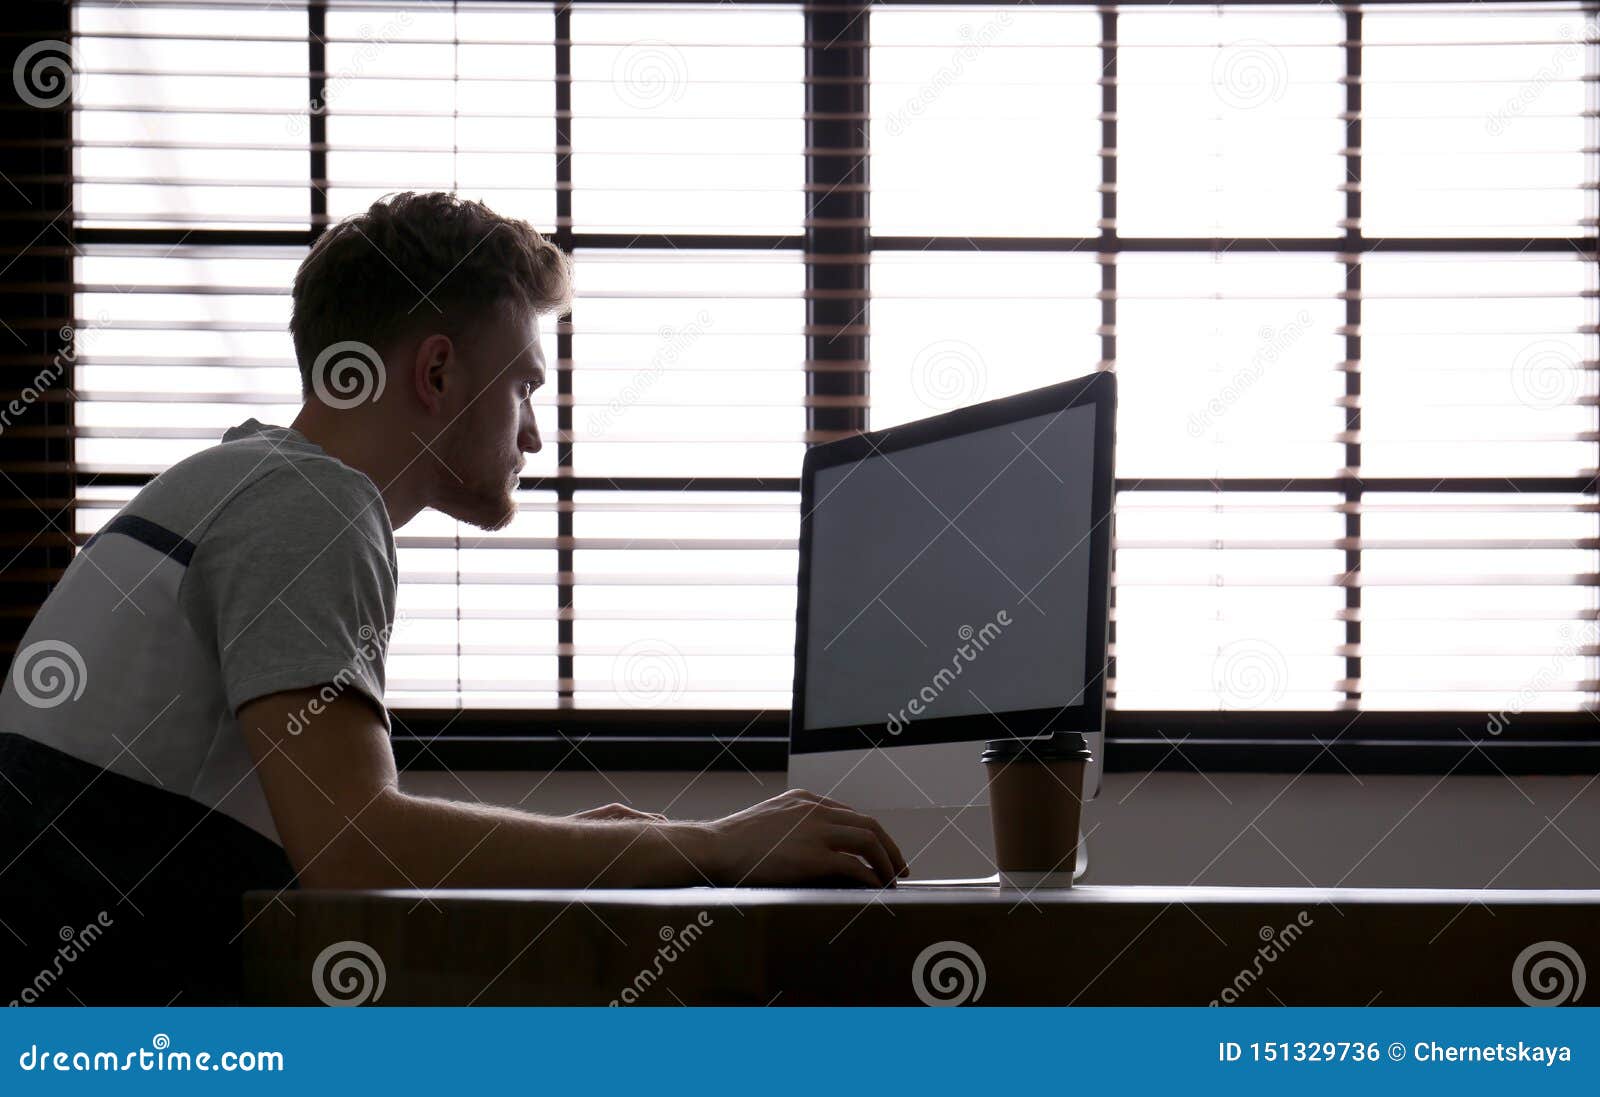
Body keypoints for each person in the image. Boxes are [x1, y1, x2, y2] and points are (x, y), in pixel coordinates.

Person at [0, 191, 905, 1004]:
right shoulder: (312, 506)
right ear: (436, 374)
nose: (535, 436)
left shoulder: (238, 478)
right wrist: (715, 844)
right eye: (523, 388)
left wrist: (572, 849)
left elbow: (344, 826)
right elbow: (354, 848)